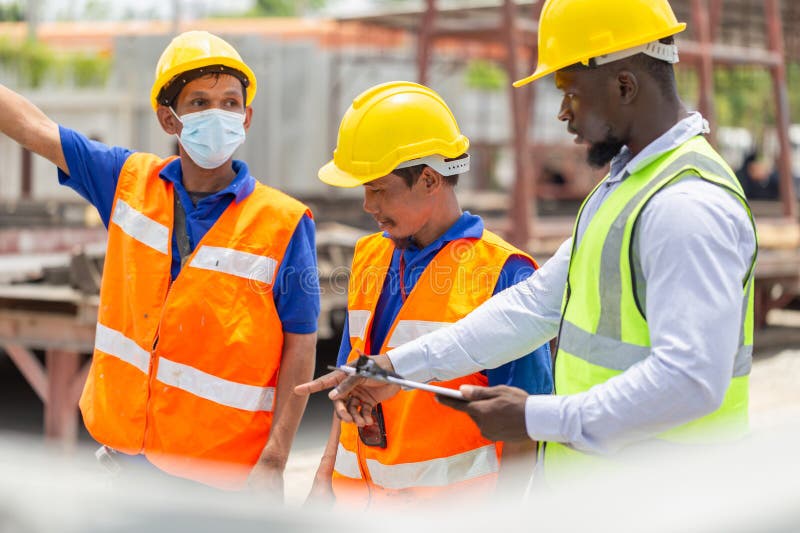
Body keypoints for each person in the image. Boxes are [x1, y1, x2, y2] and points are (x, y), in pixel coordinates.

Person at [297, 0, 758, 483]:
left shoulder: (685, 206)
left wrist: (536, 416)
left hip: (670, 496)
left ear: (624, 84)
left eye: (571, 92)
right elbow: (537, 305)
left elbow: (691, 381)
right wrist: (394, 368)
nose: (562, 112)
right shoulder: (625, 188)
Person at [0, 31, 319, 494]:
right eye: (200, 102)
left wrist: (275, 458)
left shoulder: (285, 222)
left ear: (247, 117)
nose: (219, 114)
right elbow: (34, 128)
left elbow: (302, 345)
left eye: (231, 103)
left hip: (223, 480)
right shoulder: (128, 182)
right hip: (127, 464)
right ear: (168, 119)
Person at [305, 81, 553, 508]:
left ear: (428, 179)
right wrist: (325, 472)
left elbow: (524, 426)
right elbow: (349, 380)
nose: (367, 204)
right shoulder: (368, 256)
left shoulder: (503, 274)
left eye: (379, 188)